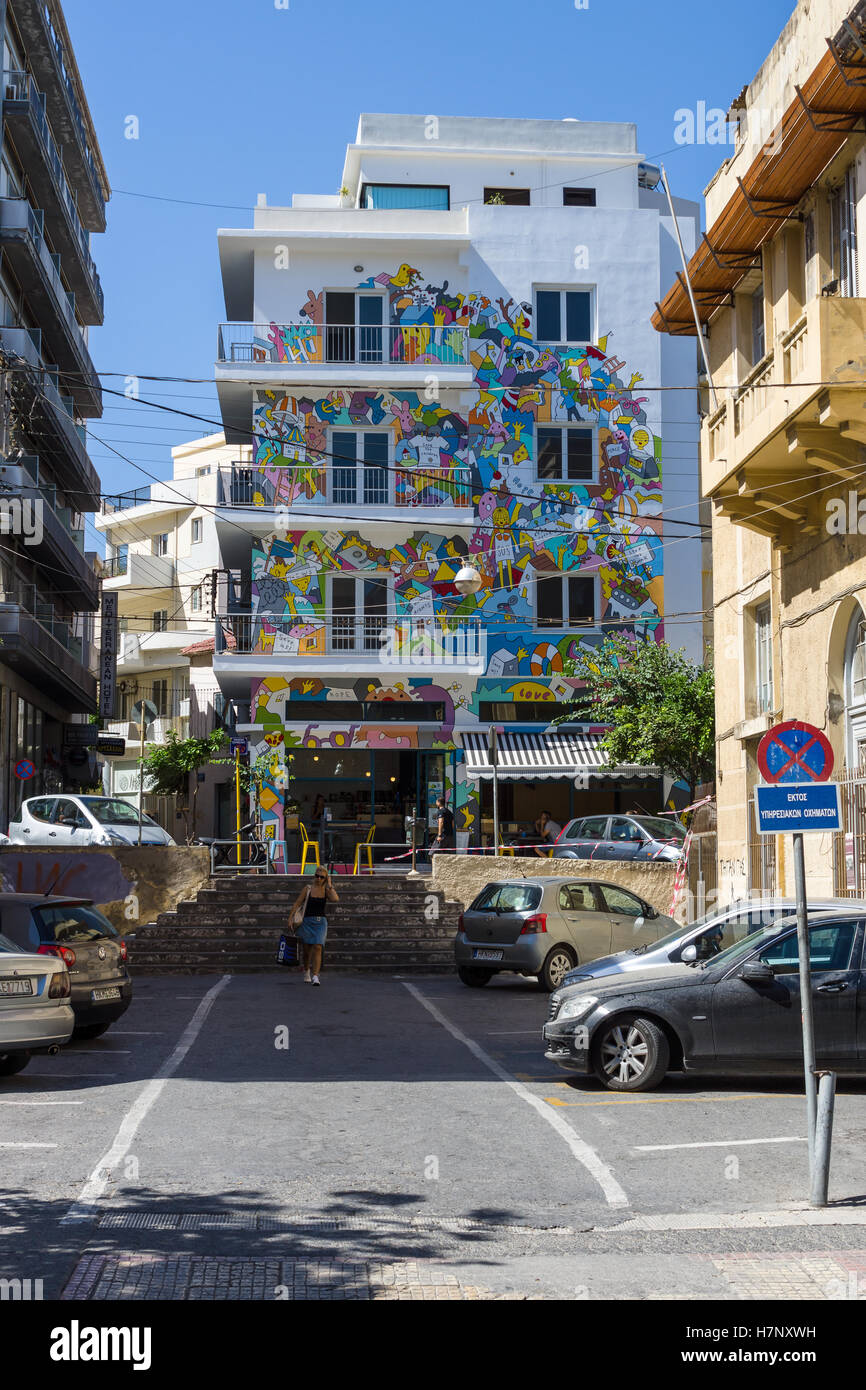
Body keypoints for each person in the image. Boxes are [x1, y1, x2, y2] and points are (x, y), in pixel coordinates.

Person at [289, 868, 338, 985]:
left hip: (320, 922)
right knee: (307, 950)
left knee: (318, 947)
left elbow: (335, 899)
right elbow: (297, 903)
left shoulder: (326, 890)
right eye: (317, 876)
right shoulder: (308, 889)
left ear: (325, 879)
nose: (319, 879)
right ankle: (307, 970)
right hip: (307, 921)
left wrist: (330, 885)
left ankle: (316, 976)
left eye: (322, 877)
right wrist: (290, 918)